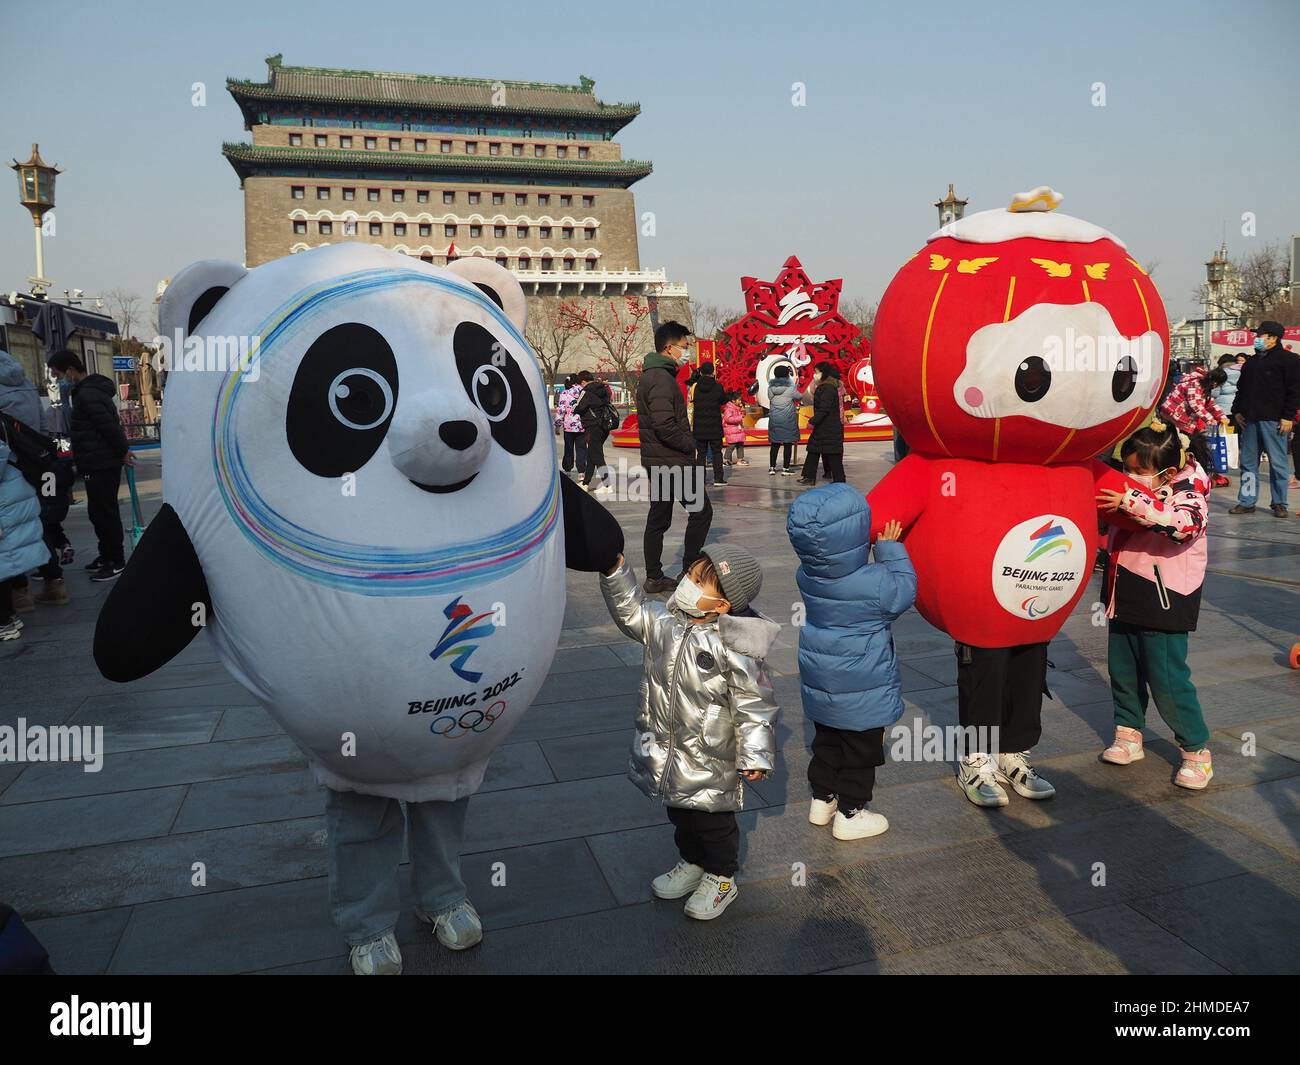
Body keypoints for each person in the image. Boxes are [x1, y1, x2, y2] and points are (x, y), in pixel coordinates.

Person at [599, 542, 779, 920]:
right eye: (691, 575)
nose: (687, 583)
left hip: (712, 752)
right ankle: (692, 862)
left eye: (700, 581)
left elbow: (754, 703)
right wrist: (616, 571)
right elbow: (631, 611)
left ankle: (721, 877)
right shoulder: (665, 622)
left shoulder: (734, 647)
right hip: (668, 749)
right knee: (680, 813)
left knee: (712, 821)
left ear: (723, 605)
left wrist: (756, 754)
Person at [788, 485, 916, 839]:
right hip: (863, 681)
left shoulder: (807, 574)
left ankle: (822, 799)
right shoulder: (874, 582)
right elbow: (903, 590)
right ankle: (851, 812)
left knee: (827, 741)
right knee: (861, 748)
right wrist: (890, 549)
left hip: (823, 674)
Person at [1096, 421, 1214, 789]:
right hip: (1125, 590)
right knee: (1123, 669)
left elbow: (1184, 527)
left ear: (1170, 468)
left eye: (1140, 471)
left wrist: (1133, 502)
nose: (1132, 477)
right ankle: (1129, 732)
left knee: (1167, 677)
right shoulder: (1133, 485)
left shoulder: (1190, 489)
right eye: (1128, 469)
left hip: (1166, 597)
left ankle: (1196, 751)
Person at [46, 349, 136, 580]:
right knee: (98, 512)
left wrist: (123, 451)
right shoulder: (88, 391)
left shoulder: (87, 394)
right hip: (96, 462)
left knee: (104, 513)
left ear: (70, 370)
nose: (59, 379)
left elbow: (109, 427)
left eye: (59, 374)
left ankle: (116, 560)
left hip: (101, 463)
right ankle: (106, 555)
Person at [636, 322, 712, 593]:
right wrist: (689, 445)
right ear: (669, 348)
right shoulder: (659, 378)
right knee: (701, 512)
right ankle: (689, 569)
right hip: (670, 461)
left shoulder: (655, 375)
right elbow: (663, 424)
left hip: (659, 460)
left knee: (659, 517)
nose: (687, 351)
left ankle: (655, 576)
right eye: (684, 346)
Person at [0, 351, 69, 606]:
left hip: (7, 467)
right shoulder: (24, 380)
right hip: (33, 463)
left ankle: (19, 593)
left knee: (10, 534)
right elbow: (42, 426)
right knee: (36, 525)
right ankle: (55, 582)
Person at [1229, 321, 1300, 517]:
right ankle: (1247, 501)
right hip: (1250, 420)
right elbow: (1241, 390)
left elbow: (1295, 391)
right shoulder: (1251, 363)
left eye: (1260, 335)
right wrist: (1236, 412)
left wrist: (1288, 416)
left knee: (1278, 464)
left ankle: (1279, 503)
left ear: (1272, 338)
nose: (1257, 338)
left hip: (1275, 421)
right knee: (1248, 463)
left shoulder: (1290, 360)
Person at [0, 415, 51, 641]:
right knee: (6, 561)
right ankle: (9, 616)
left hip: (5, 502)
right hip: (10, 496)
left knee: (2, 564)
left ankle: (3, 622)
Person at [1159, 363, 1228, 480]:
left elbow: (1209, 403)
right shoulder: (1195, 383)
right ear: (1215, 381)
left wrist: (1221, 416)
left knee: (1184, 445)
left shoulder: (1203, 386)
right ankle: (1177, 470)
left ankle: (1184, 469)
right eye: (1218, 384)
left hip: (1182, 419)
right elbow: (1195, 403)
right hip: (1174, 416)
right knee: (1180, 445)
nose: (1216, 386)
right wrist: (1210, 419)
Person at [798, 362, 846, 485]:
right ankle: (809, 476)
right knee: (813, 450)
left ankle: (839, 479)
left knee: (833, 454)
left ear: (823, 373)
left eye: (817, 372)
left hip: (828, 426)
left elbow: (824, 409)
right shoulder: (825, 386)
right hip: (823, 426)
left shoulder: (828, 388)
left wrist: (812, 421)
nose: (815, 375)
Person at [573, 370, 613, 496]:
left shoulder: (586, 391)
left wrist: (574, 405)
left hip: (592, 425)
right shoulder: (603, 388)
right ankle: (585, 483)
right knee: (592, 453)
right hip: (604, 425)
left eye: (580, 384)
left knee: (597, 455)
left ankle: (607, 485)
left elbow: (578, 407)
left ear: (583, 382)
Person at [687, 361, 727, 487]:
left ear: (701, 372)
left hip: (699, 426)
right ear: (713, 372)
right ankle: (718, 479)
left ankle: (700, 480)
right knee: (716, 452)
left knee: (701, 454)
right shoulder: (718, 387)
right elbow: (724, 400)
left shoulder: (695, 387)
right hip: (714, 425)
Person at [765, 365, 806, 476]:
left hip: (774, 418)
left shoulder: (770, 388)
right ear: (787, 374)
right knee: (788, 444)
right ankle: (786, 468)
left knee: (775, 444)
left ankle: (772, 467)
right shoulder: (791, 388)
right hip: (787, 419)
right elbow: (799, 397)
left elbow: (770, 398)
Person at [553, 374, 587, 477]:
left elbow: (561, 410)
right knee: (581, 448)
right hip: (581, 425)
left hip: (568, 426)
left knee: (568, 448)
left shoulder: (564, 393)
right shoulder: (583, 391)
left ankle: (568, 470)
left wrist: (557, 425)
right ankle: (581, 471)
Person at [722, 391, 748, 467]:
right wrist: (740, 418)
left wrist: (743, 413)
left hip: (738, 430)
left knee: (740, 445)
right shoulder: (729, 409)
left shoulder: (737, 408)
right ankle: (726, 459)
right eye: (739, 400)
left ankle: (740, 459)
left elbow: (741, 416)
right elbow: (728, 419)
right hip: (732, 431)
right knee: (731, 446)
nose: (740, 401)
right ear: (733, 400)